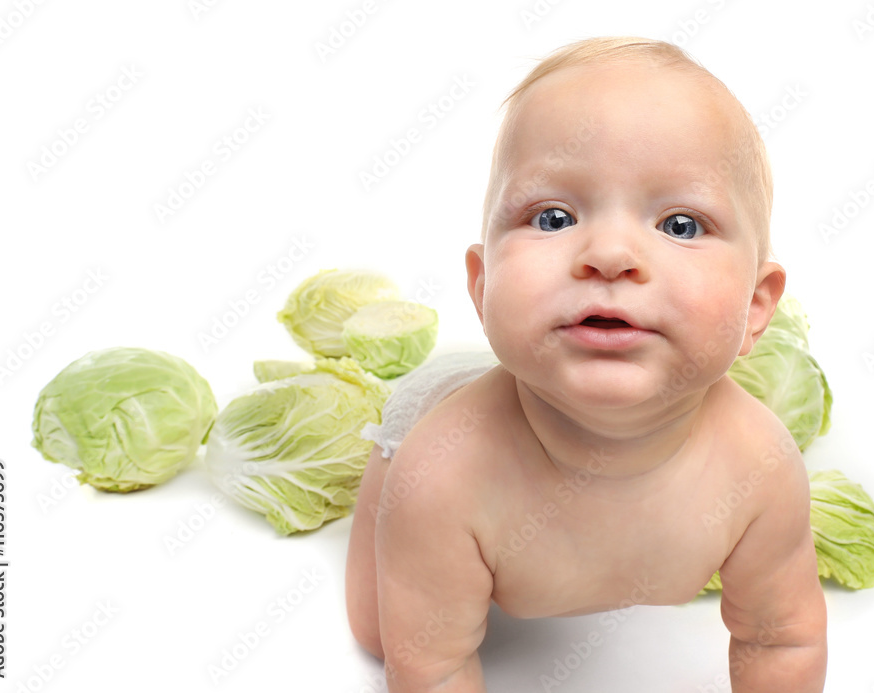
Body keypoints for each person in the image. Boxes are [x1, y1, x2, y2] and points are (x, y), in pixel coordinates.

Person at [345, 36, 827, 692]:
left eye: (680, 225)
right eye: (553, 217)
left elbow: (782, 635)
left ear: (755, 307)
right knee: (382, 634)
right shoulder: (442, 468)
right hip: (429, 420)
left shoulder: (760, 468)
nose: (610, 254)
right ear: (483, 288)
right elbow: (432, 671)